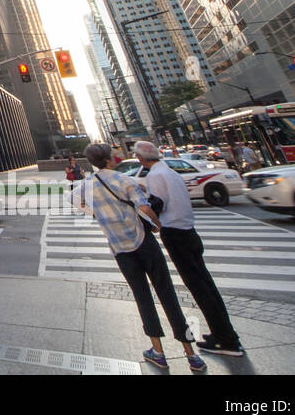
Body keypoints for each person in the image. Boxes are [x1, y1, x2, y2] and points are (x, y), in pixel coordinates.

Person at [73, 144, 204, 372]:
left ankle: (158, 351)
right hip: (144, 242)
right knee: (167, 294)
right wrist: (157, 224)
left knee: (142, 297)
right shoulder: (125, 180)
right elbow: (144, 208)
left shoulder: (87, 185)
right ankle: (191, 354)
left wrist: (97, 213)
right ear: (110, 159)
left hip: (120, 249)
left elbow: (74, 199)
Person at [134, 142, 244, 357]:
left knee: (199, 288)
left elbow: (157, 205)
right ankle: (225, 334)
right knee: (206, 284)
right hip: (190, 232)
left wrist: (148, 224)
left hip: (176, 234)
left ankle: (227, 341)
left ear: (140, 158)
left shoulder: (156, 175)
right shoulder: (171, 173)